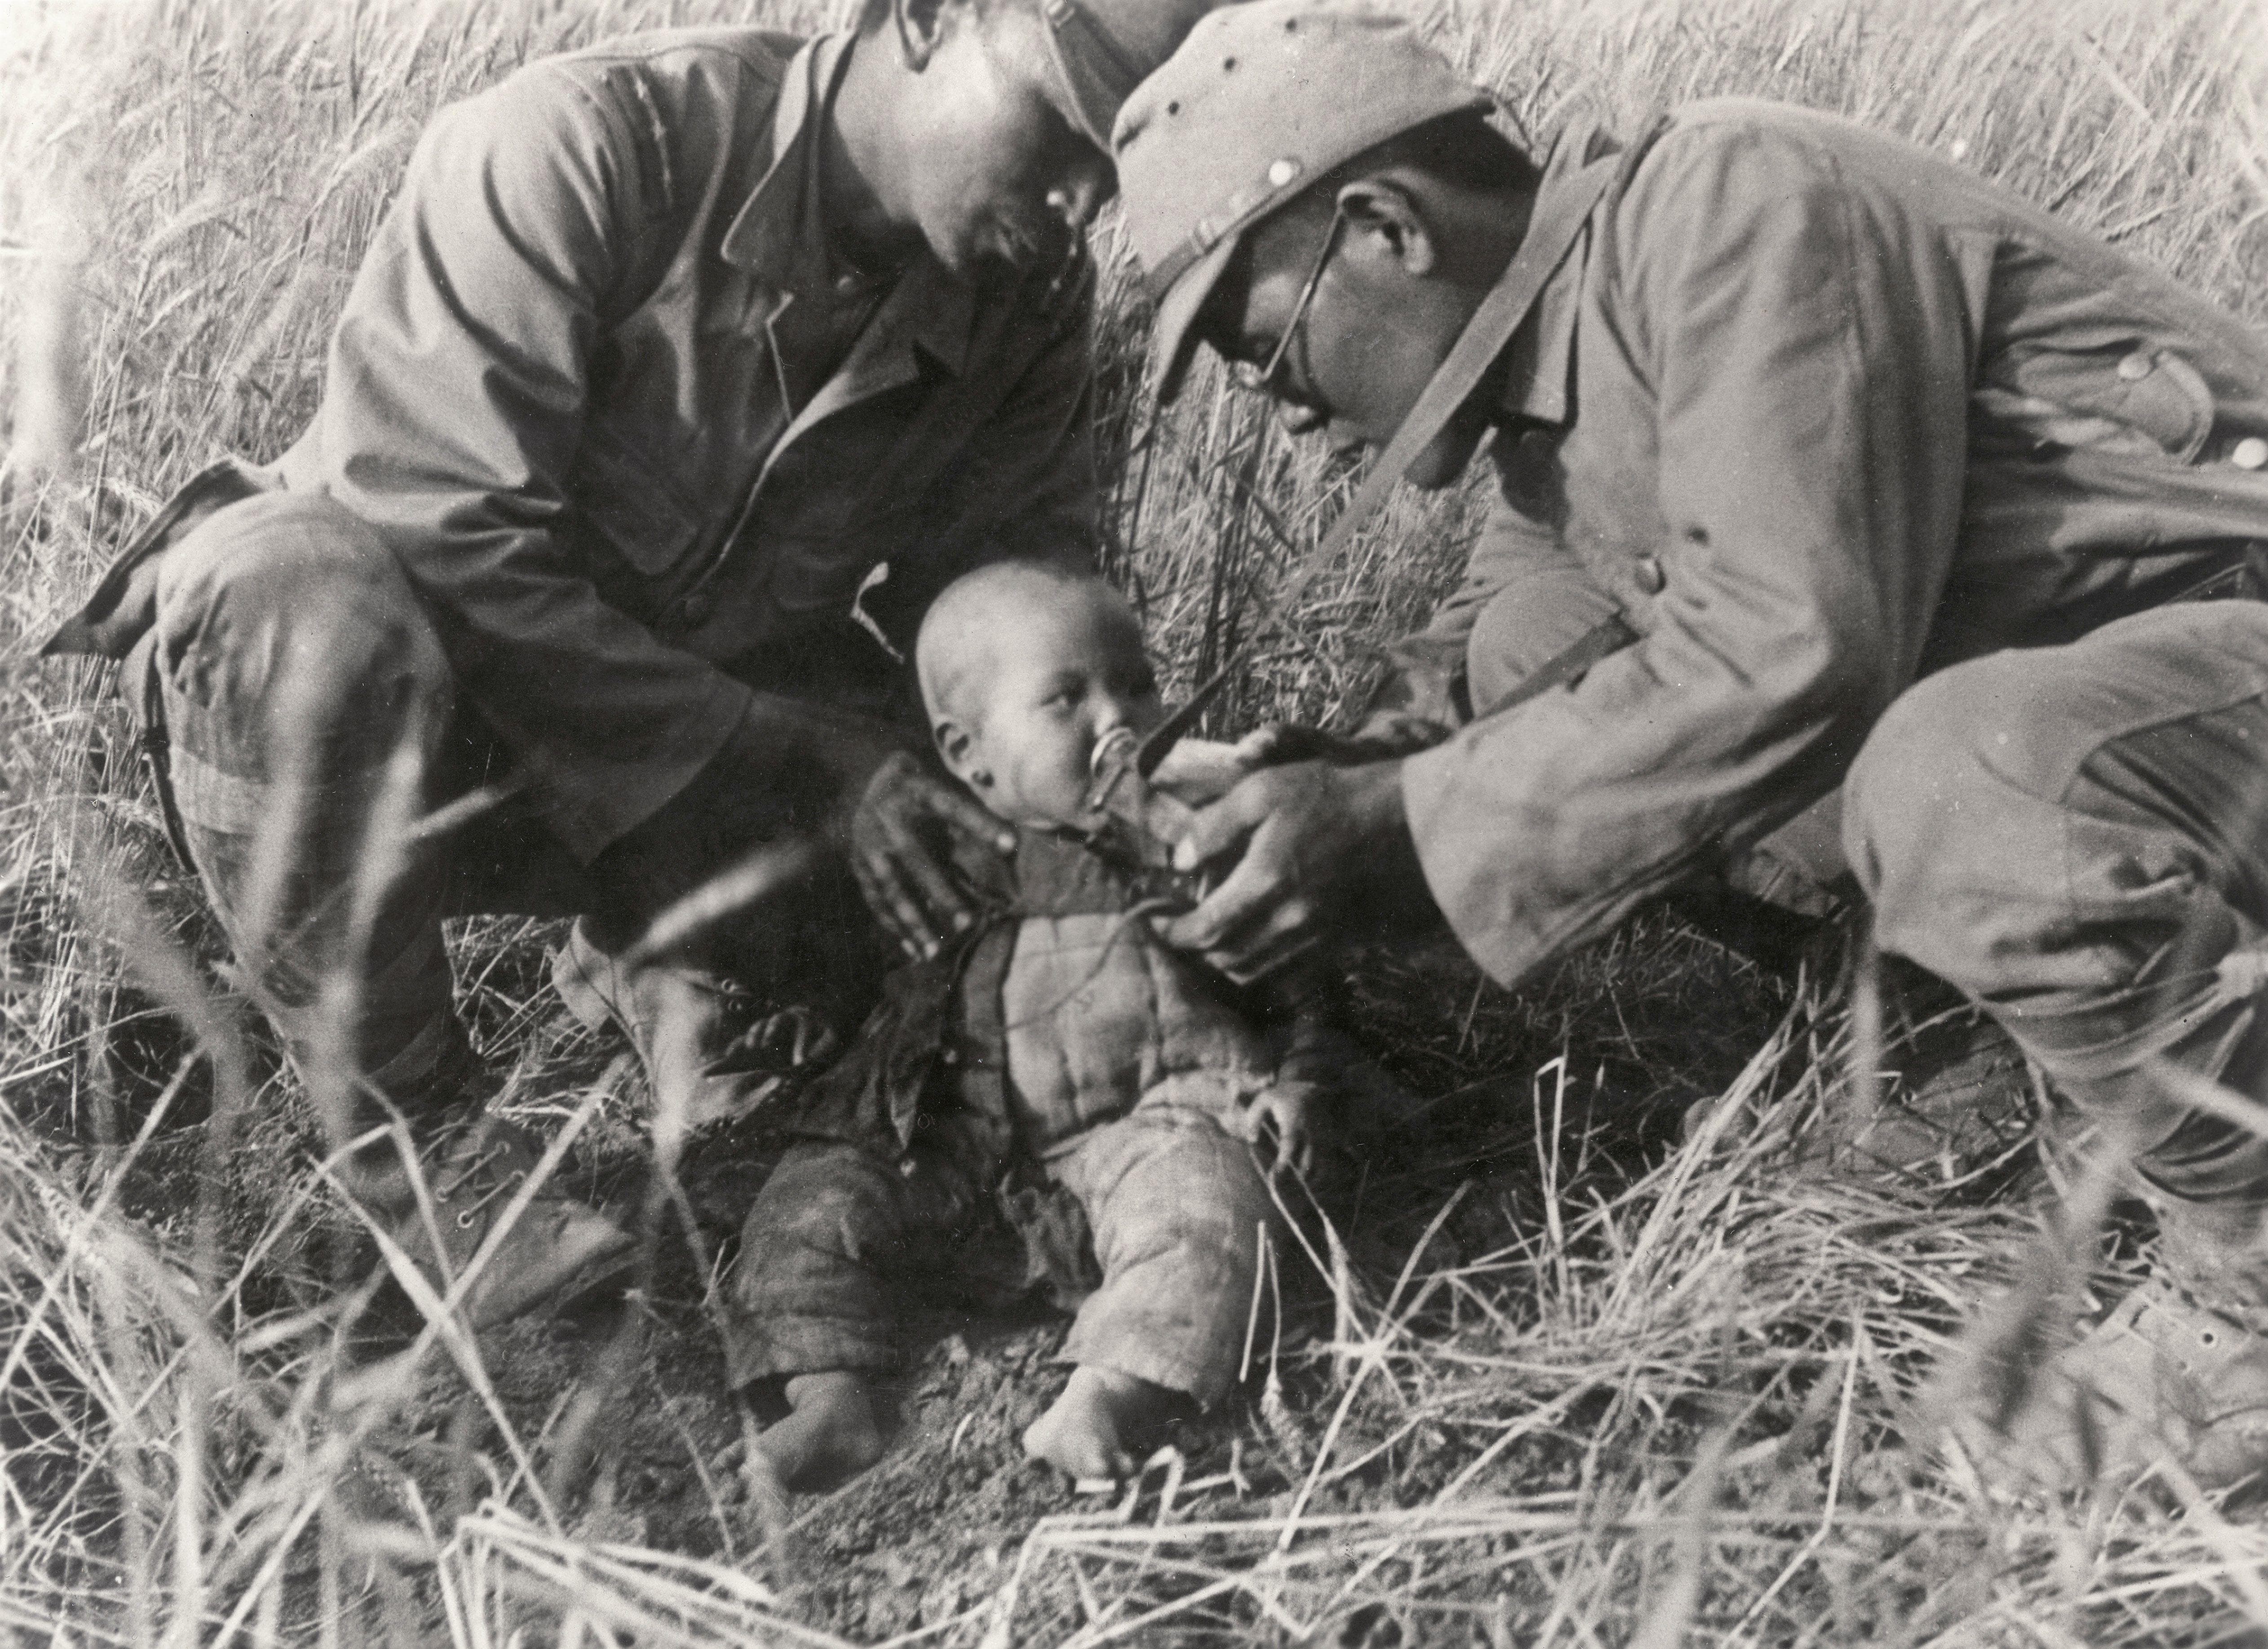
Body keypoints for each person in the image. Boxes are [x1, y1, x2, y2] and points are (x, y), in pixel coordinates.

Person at [1108, 0, 2268, 1488]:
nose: (1273, 409)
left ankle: (2250, 1267)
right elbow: (1491, 672)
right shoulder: (1564, 386)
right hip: (2170, 734)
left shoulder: (1734, 202)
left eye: (1261, 347)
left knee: (1959, 771)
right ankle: (1970, 1058)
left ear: (1387, 227)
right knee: (1545, 673)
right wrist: (1327, 781)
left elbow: (1795, 648)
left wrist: (1397, 829)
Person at [42, 0, 1219, 1329]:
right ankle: (429, 1167)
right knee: (293, 609)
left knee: (956, 837)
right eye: (1064, 126)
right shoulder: (586, 144)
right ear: (929, 17)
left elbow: (1006, 605)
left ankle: (699, 1004)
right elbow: (438, 523)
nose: (1080, 205)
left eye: (1111, 165)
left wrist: (1110, 794)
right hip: (402, 726)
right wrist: (793, 754)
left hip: (679, 742)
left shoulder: (1023, 292)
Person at [720, 560, 1363, 1503]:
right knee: (804, 1211)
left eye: (1137, 684)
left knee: (1214, 1209)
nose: (1118, 722)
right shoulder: (933, 859)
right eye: (1066, 700)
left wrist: (1299, 1076)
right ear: (970, 755)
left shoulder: (1194, 837)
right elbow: (869, 987)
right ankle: (829, 1395)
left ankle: (1111, 1392)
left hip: (1143, 1127)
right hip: (952, 1146)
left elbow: (1300, 983)